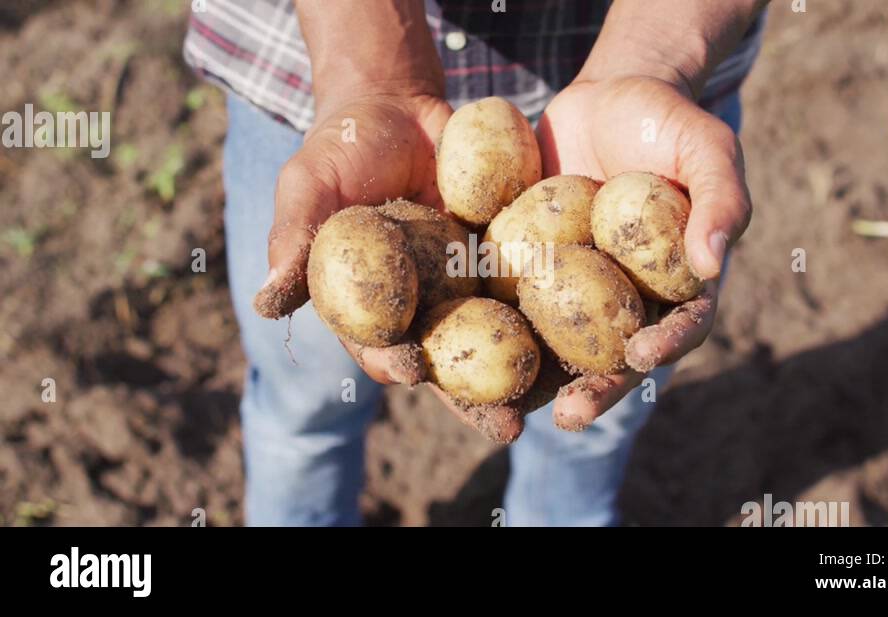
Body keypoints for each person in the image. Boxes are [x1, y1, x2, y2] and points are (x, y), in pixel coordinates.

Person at [184, 0, 767, 526]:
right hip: (321, 75)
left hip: (630, 104)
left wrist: (651, 60)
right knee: (304, 398)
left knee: (600, 411)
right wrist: (373, 78)